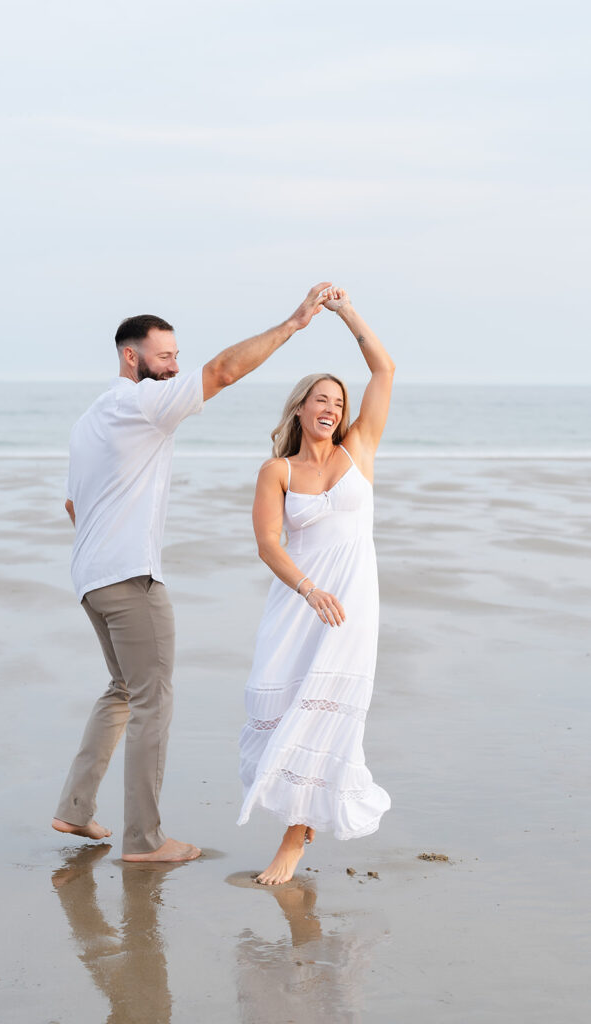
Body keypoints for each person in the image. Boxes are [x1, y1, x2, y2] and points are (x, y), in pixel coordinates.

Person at [52, 282, 335, 864]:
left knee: (124, 690)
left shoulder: (91, 419)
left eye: (177, 355)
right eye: (165, 357)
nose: (175, 367)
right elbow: (224, 371)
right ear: (131, 357)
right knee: (154, 699)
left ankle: (75, 810)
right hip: (132, 580)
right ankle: (145, 840)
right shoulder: (142, 404)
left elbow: (73, 507)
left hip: (91, 579)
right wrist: (293, 324)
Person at [237, 287, 395, 884]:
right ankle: (292, 818)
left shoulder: (360, 449)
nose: (330, 405)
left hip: (351, 607)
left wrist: (346, 311)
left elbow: (383, 368)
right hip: (299, 603)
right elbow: (268, 545)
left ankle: (294, 839)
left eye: (338, 399)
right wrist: (308, 590)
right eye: (320, 398)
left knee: (330, 716)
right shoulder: (277, 470)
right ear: (300, 408)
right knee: (280, 705)